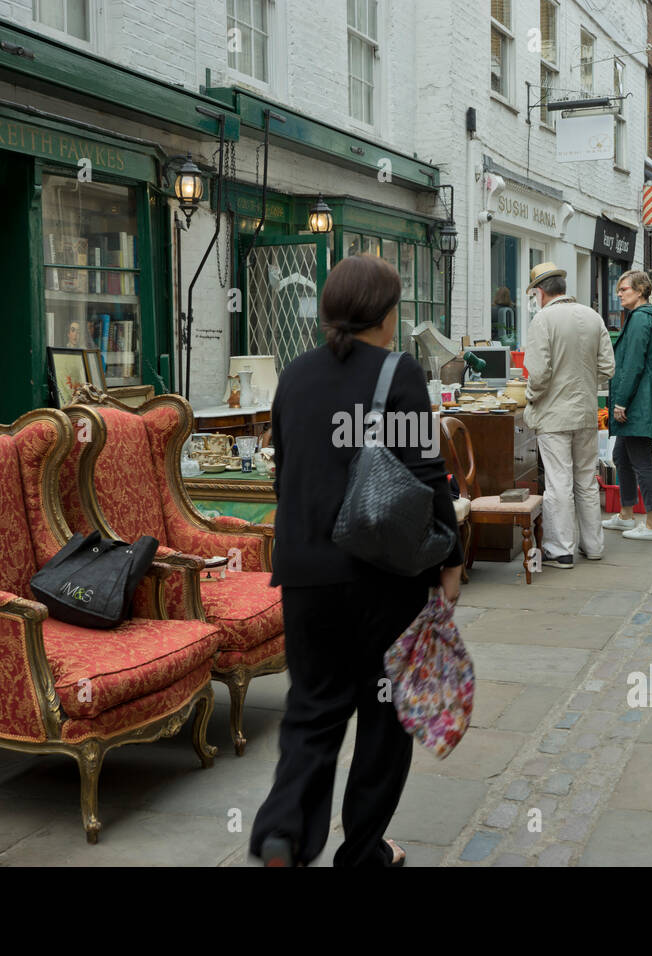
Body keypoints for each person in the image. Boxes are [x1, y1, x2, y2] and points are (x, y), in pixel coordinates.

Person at [250, 255, 463, 868]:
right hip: (384, 580)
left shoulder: (293, 375)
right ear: (385, 314)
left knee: (312, 712)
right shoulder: (399, 374)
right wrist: (451, 559)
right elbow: (428, 478)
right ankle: (362, 852)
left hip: (306, 576)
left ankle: (283, 835)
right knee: (385, 715)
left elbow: (283, 473)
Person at [523, 261, 615, 568]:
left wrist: (530, 397)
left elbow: (537, 374)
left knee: (558, 480)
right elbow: (608, 368)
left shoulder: (542, 320)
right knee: (587, 480)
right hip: (586, 411)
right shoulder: (592, 316)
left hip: (553, 415)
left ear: (540, 293)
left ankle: (560, 549)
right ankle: (594, 545)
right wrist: (586, 385)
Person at [602, 269, 652, 541]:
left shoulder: (642, 319)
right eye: (619, 290)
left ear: (640, 291)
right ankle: (626, 514)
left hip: (639, 399)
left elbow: (633, 364)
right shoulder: (641, 317)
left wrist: (621, 402)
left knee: (642, 459)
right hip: (644, 395)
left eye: (624, 290)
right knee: (621, 455)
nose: (619, 294)